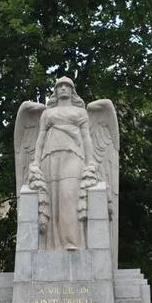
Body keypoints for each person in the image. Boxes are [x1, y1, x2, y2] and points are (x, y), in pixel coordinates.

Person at [27, 77, 99, 250]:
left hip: (73, 155)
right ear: (56, 91)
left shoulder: (80, 112)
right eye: (60, 86)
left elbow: (86, 138)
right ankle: (53, 245)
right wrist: (35, 163)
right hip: (50, 158)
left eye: (67, 86)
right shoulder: (47, 114)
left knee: (68, 196)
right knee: (54, 200)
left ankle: (71, 242)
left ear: (72, 90)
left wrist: (90, 162)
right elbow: (40, 139)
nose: (64, 88)